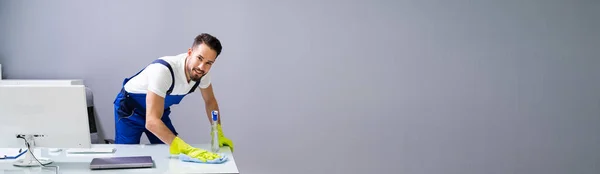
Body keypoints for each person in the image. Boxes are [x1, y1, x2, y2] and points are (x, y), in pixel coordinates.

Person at [112, 33, 234, 160]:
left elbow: (210, 101)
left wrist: (217, 130)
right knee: (126, 158)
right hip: (130, 111)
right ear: (190, 52)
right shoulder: (164, 70)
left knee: (171, 157)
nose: (201, 67)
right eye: (199, 58)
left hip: (158, 111)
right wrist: (187, 149)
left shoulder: (202, 74)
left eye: (209, 63)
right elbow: (151, 122)